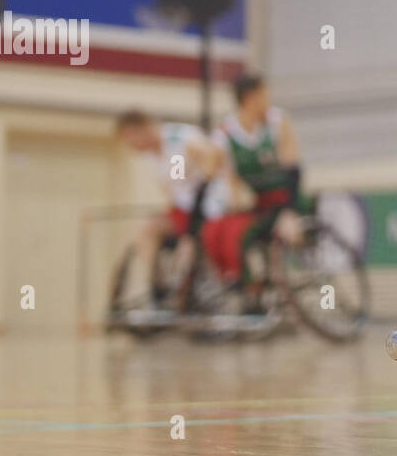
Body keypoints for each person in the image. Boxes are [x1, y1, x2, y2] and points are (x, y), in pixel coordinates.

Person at [115, 110, 225, 307]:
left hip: (207, 208)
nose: (131, 146)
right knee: (147, 228)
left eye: (130, 138)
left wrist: (205, 183)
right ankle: (157, 288)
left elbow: (213, 157)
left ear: (141, 129)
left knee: (186, 250)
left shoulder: (178, 138)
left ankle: (193, 289)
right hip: (184, 210)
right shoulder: (152, 156)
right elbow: (176, 187)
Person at [204, 74, 305, 287]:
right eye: (264, 95)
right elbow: (218, 174)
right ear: (250, 98)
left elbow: (294, 169)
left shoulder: (278, 121)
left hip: (287, 200)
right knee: (216, 231)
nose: (268, 100)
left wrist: (290, 211)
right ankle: (240, 283)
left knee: (242, 234)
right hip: (258, 205)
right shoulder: (226, 132)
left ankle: (250, 286)